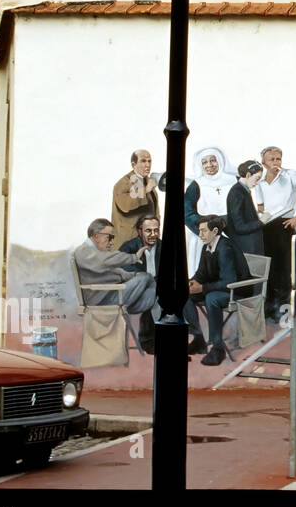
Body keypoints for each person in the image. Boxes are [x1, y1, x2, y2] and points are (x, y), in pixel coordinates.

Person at [119, 213, 208, 355]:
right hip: (137, 292)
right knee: (159, 295)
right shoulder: (129, 247)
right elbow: (121, 267)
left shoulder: (164, 246)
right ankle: (155, 342)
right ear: (139, 231)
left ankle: (197, 337)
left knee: (181, 294)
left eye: (156, 230)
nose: (153, 234)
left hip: (160, 287)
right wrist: (140, 274)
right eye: (148, 231)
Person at [71, 218, 159, 352]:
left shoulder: (95, 253)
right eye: (109, 237)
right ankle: (163, 336)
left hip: (112, 295)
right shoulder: (84, 251)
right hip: (103, 300)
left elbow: (115, 272)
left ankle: (160, 338)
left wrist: (133, 276)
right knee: (148, 279)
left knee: (155, 290)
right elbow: (105, 262)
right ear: (96, 236)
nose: (112, 242)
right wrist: (134, 257)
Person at [252, 146, 296, 321]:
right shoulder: (259, 181)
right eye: (271, 159)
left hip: (285, 226)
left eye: (278, 159)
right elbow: (260, 207)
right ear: (264, 163)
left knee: (285, 269)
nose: (276, 162)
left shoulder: (291, 175)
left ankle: (284, 310)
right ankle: (270, 308)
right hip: (266, 228)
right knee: (269, 269)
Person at [188, 215, 249, 366]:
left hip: (238, 291)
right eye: (199, 231)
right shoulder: (206, 247)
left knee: (212, 299)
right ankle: (198, 338)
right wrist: (191, 283)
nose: (200, 234)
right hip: (220, 288)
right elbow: (201, 273)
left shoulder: (225, 248)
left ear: (215, 231)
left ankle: (217, 348)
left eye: (203, 231)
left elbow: (230, 281)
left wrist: (202, 288)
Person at [183, 146, 234, 278]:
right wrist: (206, 230)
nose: (209, 165)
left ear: (220, 161)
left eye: (213, 160)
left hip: (230, 233)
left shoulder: (233, 180)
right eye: (204, 162)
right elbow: (186, 212)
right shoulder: (196, 185)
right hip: (204, 234)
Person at [111, 149, 159, 247]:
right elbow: (125, 205)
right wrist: (146, 190)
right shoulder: (123, 183)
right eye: (143, 161)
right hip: (127, 242)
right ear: (134, 164)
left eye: (149, 161)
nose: (147, 165)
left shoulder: (147, 181)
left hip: (147, 240)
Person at [227, 160, 266, 257]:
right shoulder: (237, 192)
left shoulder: (243, 190)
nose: (257, 183)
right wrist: (261, 221)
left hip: (250, 247)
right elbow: (239, 227)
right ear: (248, 175)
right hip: (245, 249)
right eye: (257, 179)